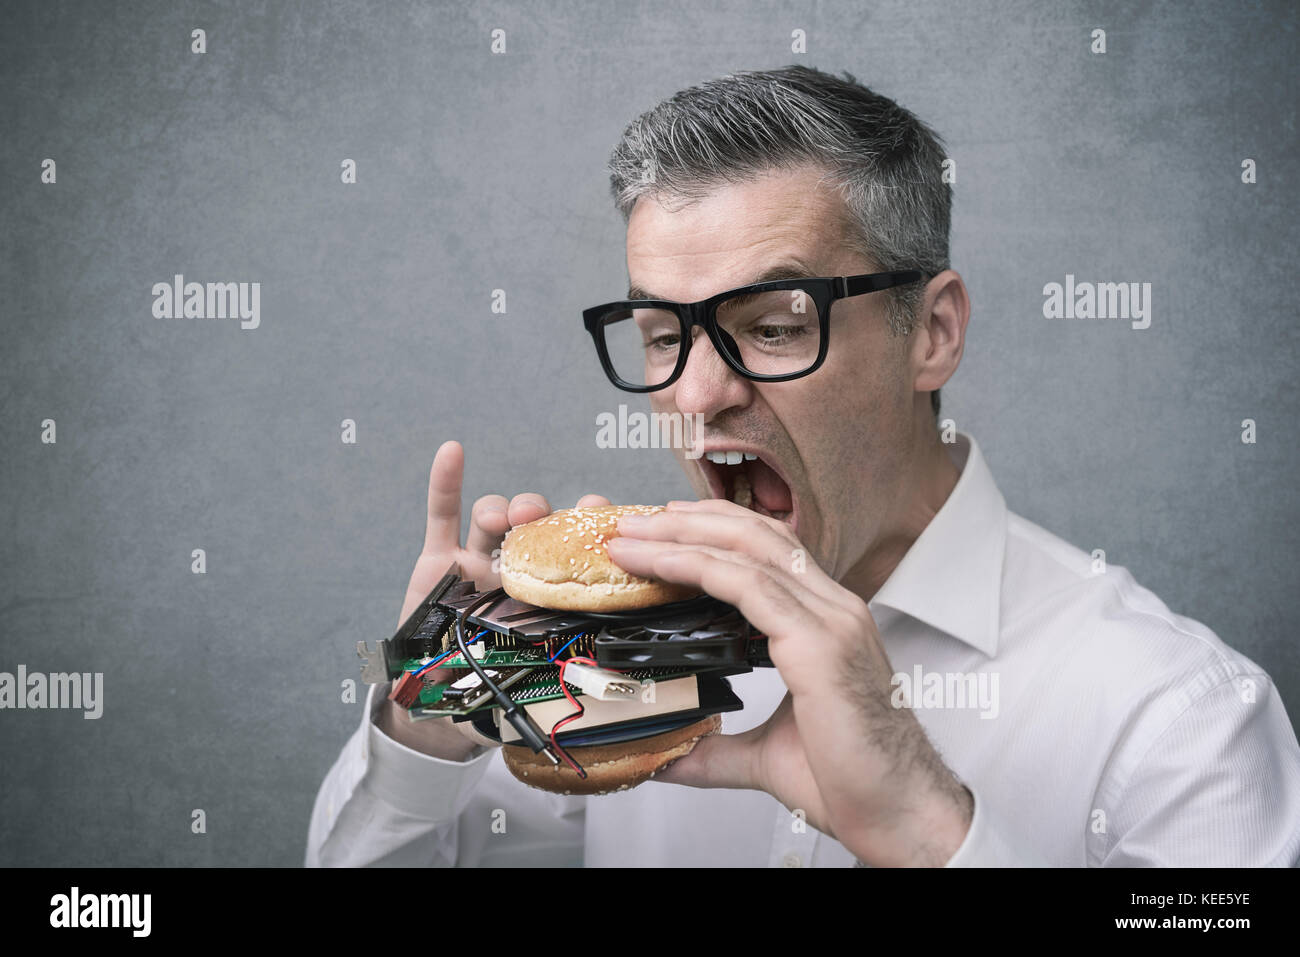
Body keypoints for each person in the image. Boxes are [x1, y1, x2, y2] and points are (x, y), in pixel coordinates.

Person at [306, 66, 1300, 867]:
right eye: (660, 336)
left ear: (935, 332)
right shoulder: (600, 669)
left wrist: (928, 834)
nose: (695, 397)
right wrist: (434, 712)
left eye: (773, 326)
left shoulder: (1178, 720)